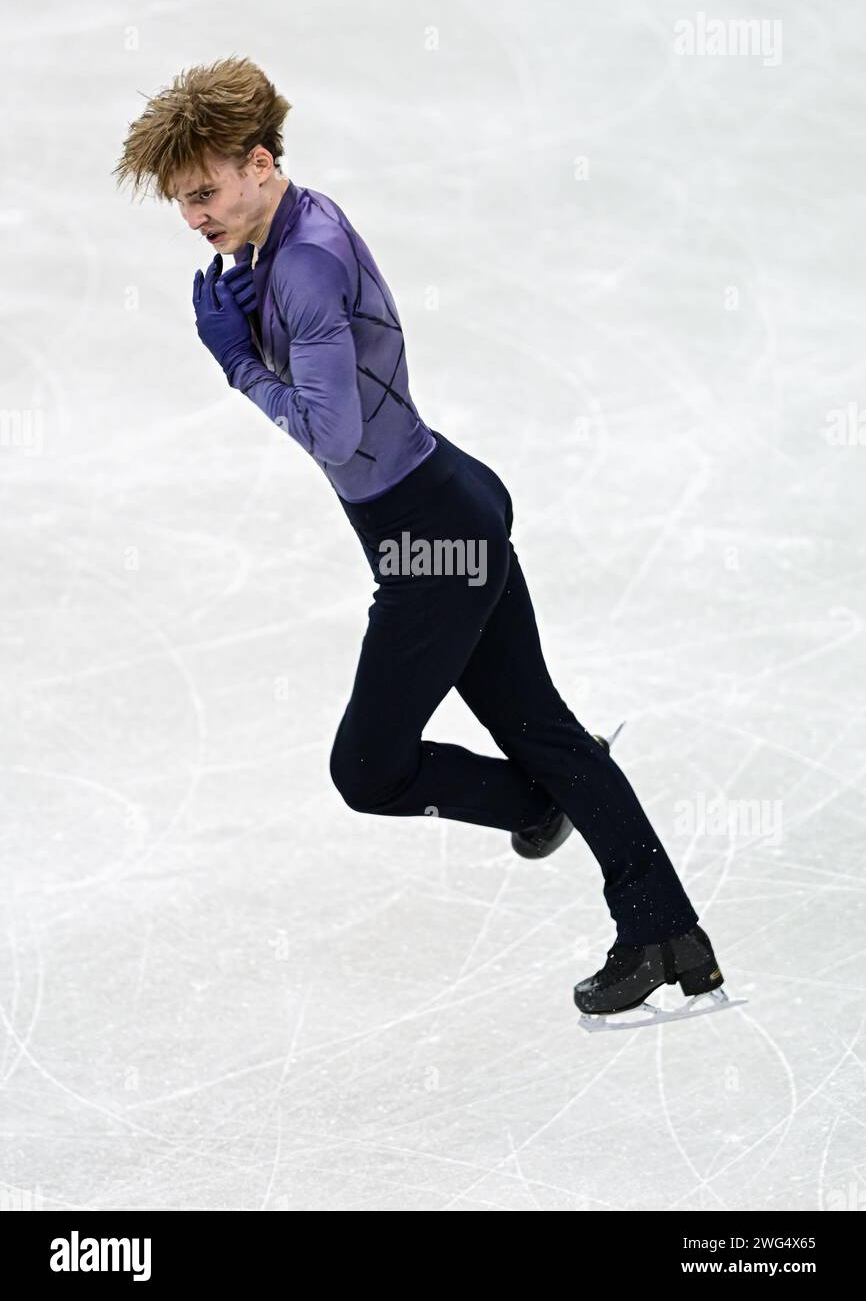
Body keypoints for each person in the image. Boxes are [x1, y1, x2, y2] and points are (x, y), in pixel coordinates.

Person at [113, 56, 731, 1027]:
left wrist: (239, 363)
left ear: (260, 164)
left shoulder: (304, 262)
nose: (192, 216)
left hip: (429, 540)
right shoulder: (284, 233)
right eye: (180, 202)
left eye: (204, 192)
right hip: (445, 504)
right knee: (549, 736)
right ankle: (664, 933)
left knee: (371, 768)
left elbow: (332, 433)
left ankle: (541, 812)